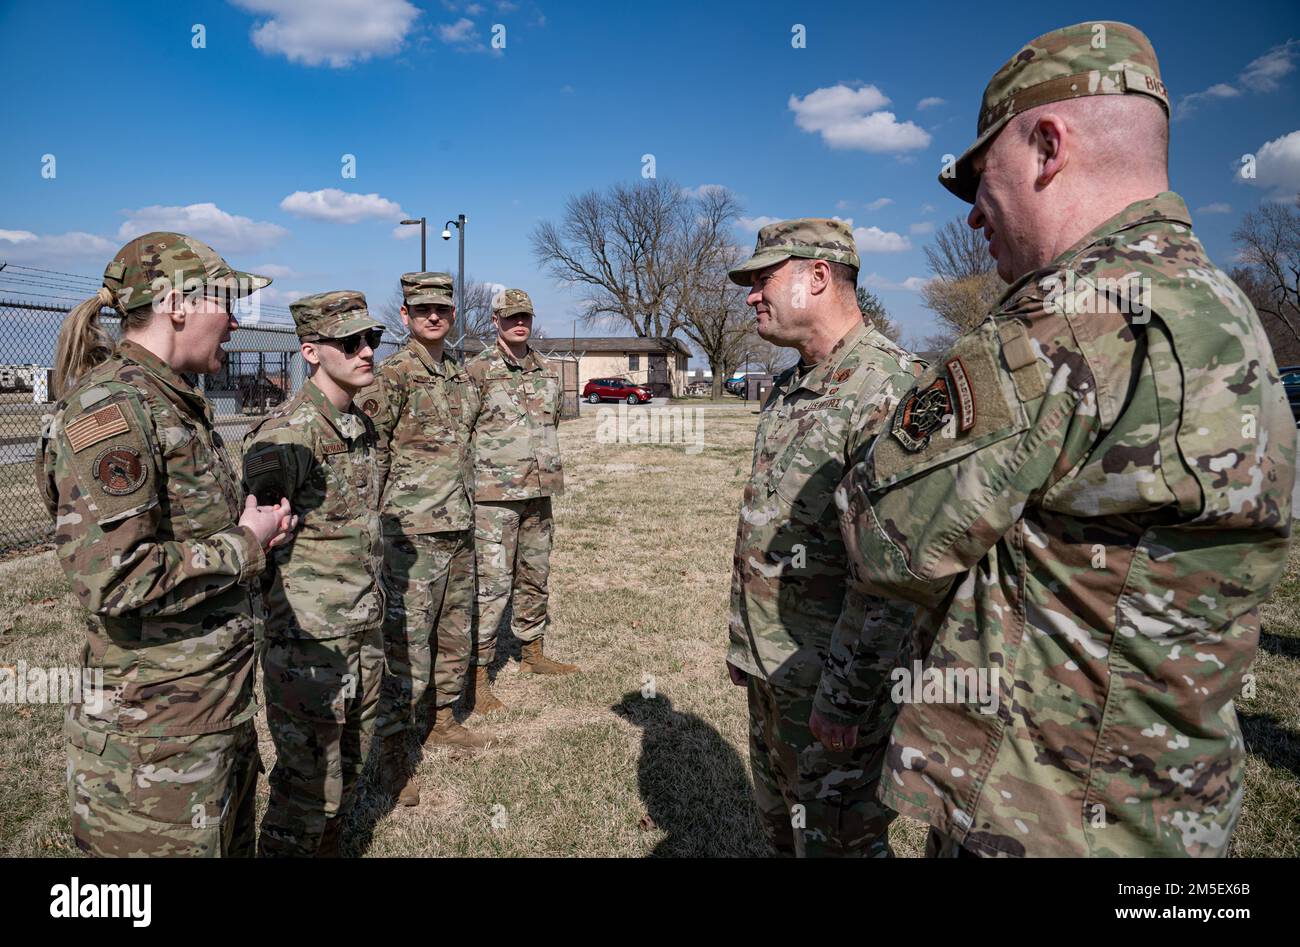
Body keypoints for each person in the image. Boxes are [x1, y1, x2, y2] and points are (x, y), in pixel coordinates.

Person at [835, 20, 1295, 857]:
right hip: (1173, 819)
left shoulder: (1070, 317)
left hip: (1039, 818)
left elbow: (884, 539)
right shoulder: (1228, 310)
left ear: (1048, 145)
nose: (974, 215)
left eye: (980, 179)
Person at [37, 231, 292, 857]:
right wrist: (244, 544)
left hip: (206, 724)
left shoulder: (175, 403)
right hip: (149, 752)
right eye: (225, 303)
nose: (234, 322)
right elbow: (115, 578)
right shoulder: (113, 412)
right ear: (178, 303)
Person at [724, 218, 919, 857]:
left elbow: (895, 576)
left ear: (818, 276)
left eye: (763, 279)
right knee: (782, 832)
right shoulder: (787, 388)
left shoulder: (890, 390)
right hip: (775, 672)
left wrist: (845, 697)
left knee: (839, 846)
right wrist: (746, 647)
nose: (752, 294)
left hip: (836, 692)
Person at [243, 291, 385, 857]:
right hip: (309, 638)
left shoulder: (360, 425)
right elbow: (254, 533)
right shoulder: (288, 436)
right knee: (306, 781)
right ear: (310, 351)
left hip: (362, 623)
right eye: (349, 342)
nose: (365, 351)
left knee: (351, 759)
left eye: (370, 339)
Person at [356, 272, 489, 809]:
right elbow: (373, 451)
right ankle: (389, 749)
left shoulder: (458, 372)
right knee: (405, 643)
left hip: (459, 524)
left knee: (454, 632)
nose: (434, 317)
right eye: (423, 310)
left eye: (443, 309)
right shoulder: (392, 376)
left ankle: (439, 719)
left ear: (452, 315)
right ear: (406, 316)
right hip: (410, 533)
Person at [466, 287, 577, 708]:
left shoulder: (548, 371)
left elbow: (552, 424)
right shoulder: (477, 372)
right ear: (494, 321)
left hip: (540, 490)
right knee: (492, 585)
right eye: (511, 316)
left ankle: (531, 652)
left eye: (525, 316)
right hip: (493, 498)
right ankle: (478, 674)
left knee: (535, 574)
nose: (519, 323)